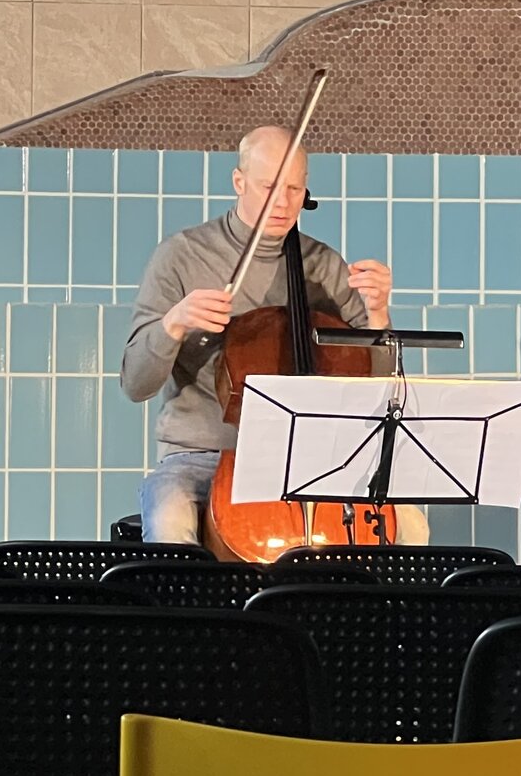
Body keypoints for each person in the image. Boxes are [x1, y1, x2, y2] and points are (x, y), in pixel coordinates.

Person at [122, 124, 420, 545]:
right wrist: (174, 322)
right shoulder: (181, 256)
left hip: (313, 459)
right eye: (268, 188)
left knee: (411, 525)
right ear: (239, 182)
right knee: (169, 520)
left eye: (294, 189)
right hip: (204, 455)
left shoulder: (322, 266)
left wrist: (377, 314)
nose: (282, 203)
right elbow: (135, 384)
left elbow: (379, 384)